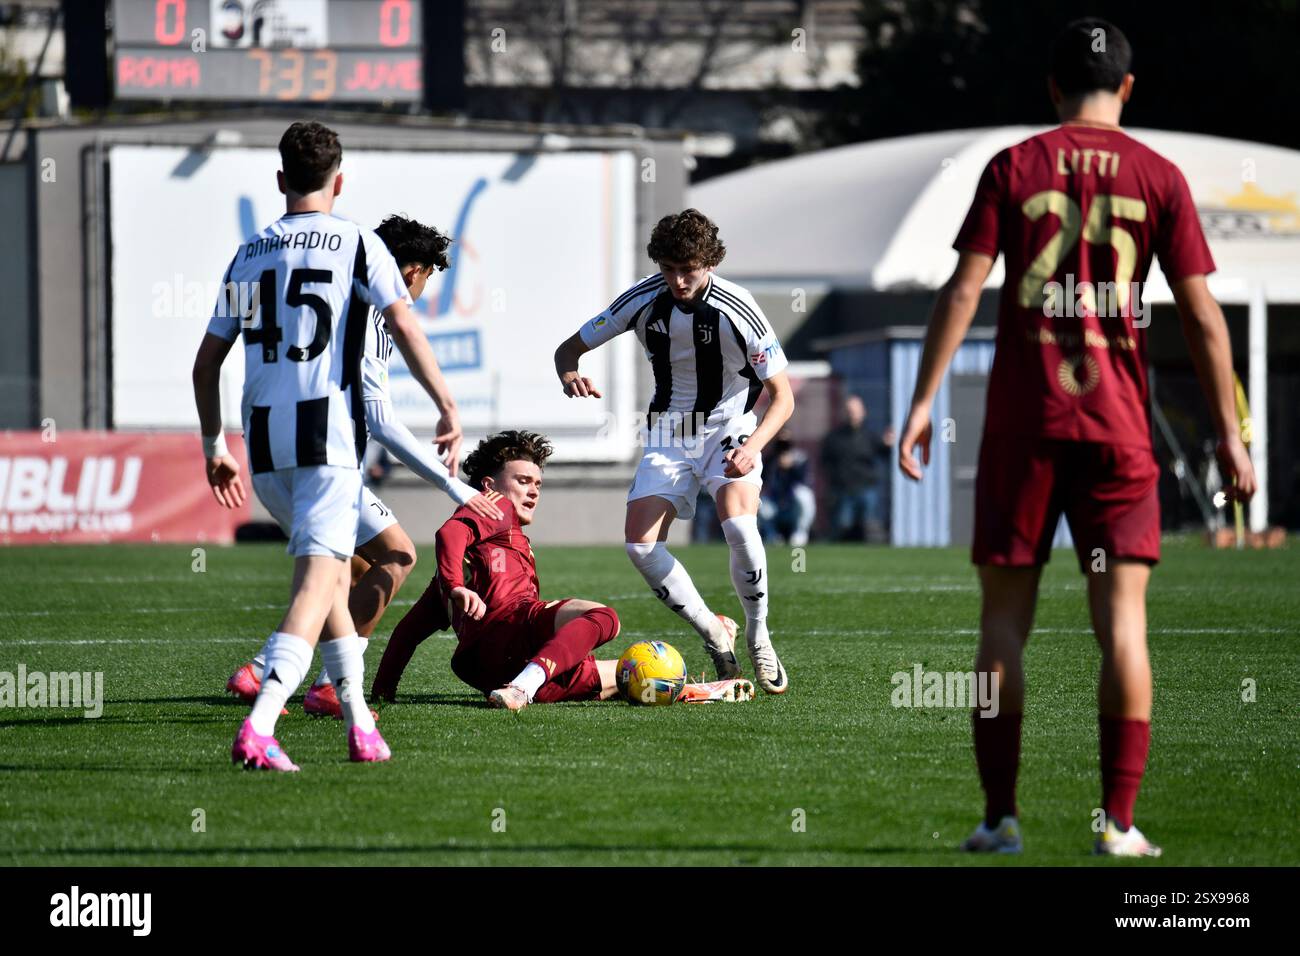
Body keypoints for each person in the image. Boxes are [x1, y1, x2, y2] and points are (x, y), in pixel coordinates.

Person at [897, 19, 1256, 855]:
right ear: (1128, 88)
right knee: (1123, 627)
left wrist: (922, 401)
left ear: (1052, 88)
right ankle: (1120, 825)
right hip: (1119, 429)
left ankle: (999, 819)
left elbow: (961, 291)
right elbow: (1202, 317)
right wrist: (1234, 435)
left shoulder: (1013, 166)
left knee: (1001, 628)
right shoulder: (1157, 174)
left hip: (1025, 425)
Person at [193, 121, 464, 770]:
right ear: (339, 182)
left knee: (339, 579)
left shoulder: (249, 253)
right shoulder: (360, 245)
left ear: (281, 181)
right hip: (326, 440)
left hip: (263, 446)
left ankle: (361, 724)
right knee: (320, 582)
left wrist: (213, 446)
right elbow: (403, 321)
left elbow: (205, 365)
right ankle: (260, 725)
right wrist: (447, 406)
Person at [223, 214, 503, 720]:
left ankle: (268, 673)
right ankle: (319, 684)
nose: (417, 294)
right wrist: (452, 485)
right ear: (412, 270)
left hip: (270, 451)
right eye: (423, 280)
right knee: (397, 555)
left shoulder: (316, 291)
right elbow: (381, 421)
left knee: (347, 573)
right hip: (324, 460)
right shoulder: (373, 314)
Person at [552, 209, 795, 694]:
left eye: (689, 269)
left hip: (731, 425)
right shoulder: (642, 299)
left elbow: (783, 397)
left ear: (709, 262)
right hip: (670, 431)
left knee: (738, 524)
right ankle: (712, 631)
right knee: (639, 545)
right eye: (668, 269)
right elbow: (567, 350)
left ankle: (758, 632)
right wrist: (568, 373)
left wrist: (752, 446)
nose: (679, 280)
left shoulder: (738, 308)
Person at [370, 430, 756, 709]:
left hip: (490, 670)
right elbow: (449, 532)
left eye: (538, 482)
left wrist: (381, 695)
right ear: (488, 485)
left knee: (626, 676)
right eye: (522, 480)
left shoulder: (465, 568)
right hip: (516, 630)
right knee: (603, 617)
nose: (534, 490)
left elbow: (406, 633)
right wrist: (455, 585)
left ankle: (692, 687)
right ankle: (524, 687)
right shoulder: (494, 507)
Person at [821, 395, 893, 542]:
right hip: (842, 490)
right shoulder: (834, 437)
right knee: (842, 526)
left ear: (863, 412)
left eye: (855, 411)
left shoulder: (870, 436)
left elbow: (884, 455)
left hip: (866, 489)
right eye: (849, 411)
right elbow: (824, 461)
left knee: (868, 526)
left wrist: (889, 445)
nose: (852, 414)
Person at [758, 435, 815, 546]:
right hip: (775, 506)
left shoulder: (800, 459)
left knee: (804, 495)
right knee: (759, 502)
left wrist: (792, 467)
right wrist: (776, 467)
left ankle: (800, 533)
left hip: (793, 507)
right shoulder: (770, 460)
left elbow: (806, 482)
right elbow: (762, 482)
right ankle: (772, 535)